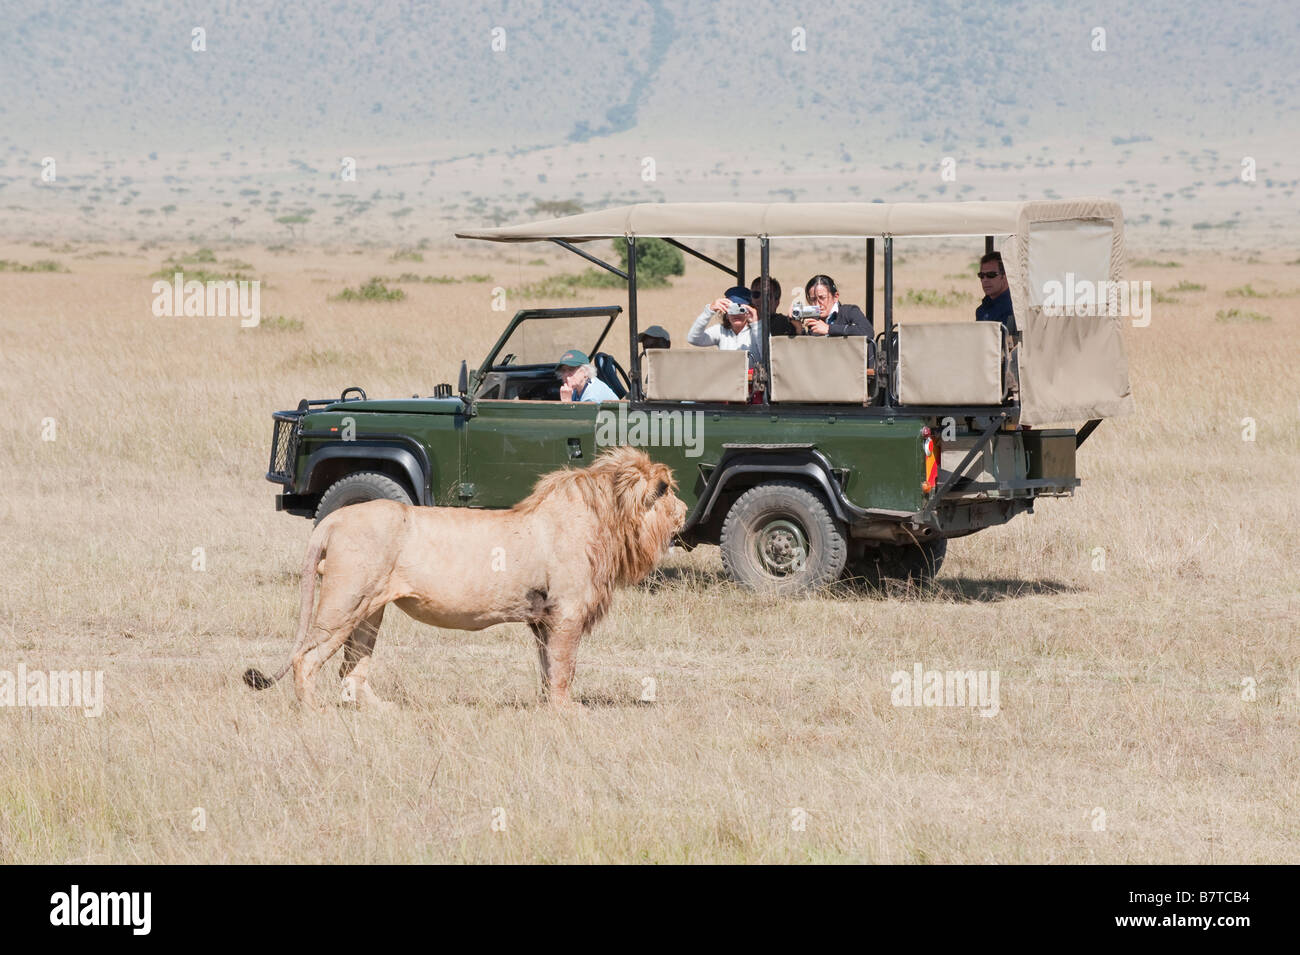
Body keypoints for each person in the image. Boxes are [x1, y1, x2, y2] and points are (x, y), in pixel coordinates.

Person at [687, 285, 761, 362]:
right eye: (732, 309)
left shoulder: (757, 331)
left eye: (741, 309)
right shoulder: (720, 330)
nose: (737, 314)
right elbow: (693, 339)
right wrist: (709, 311)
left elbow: (768, 353)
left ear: (749, 310)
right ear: (725, 313)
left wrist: (756, 324)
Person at [800, 275, 871, 337]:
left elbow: (868, 332)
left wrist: (829, 329)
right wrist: (797, 328)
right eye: (813, 299)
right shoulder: (812, 318)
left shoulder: (849, 312)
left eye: (822, 298)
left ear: (835, 297)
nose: (817, 304)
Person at [975, 251, 1017, 337]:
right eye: (981, 275)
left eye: (991, 275)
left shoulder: (1015, 308)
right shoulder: (981, 310)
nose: (985, 280)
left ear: (1005, 276)